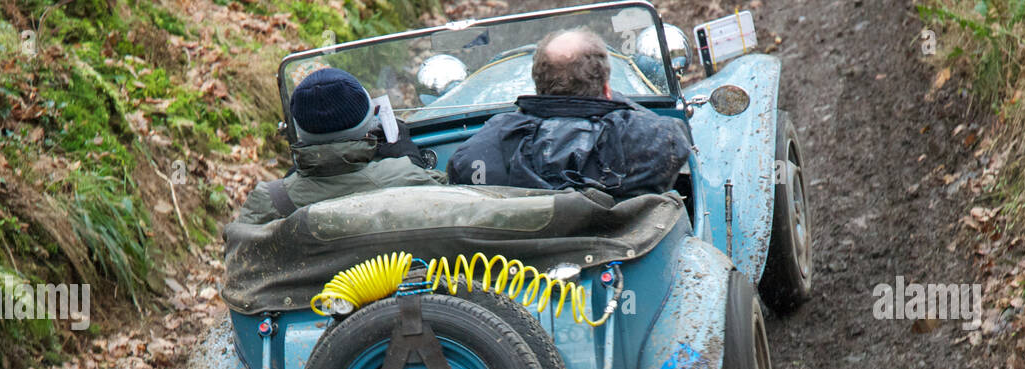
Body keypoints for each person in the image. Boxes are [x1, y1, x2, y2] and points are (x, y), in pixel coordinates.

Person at [445, 28, 690, 199]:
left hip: (519, 269)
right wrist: (614, 101)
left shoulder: (478, 153)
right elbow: (677, 144)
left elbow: (460, 171)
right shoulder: (658, 139)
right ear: (606, 88)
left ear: (538, 86)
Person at [233, 67, 444, 226]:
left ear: (299, 129)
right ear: (369, 121)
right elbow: (450, 207)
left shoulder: (270, 200)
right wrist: (410, 162)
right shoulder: (406, 177)